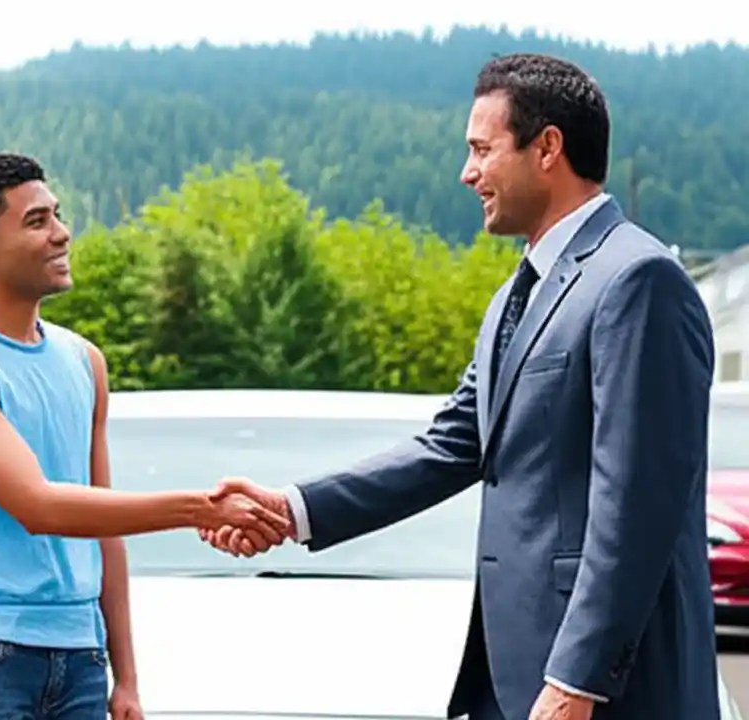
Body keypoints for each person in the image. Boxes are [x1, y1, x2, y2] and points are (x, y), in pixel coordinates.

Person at [203, 53, 718, 720]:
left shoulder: (638, 280)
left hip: (609, 689)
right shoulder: (515, 295)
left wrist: (578, 679)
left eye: (481, 149)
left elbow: (637, 503)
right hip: (515, 673)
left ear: (547, 148)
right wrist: (292, 508)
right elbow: (451, 445)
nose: (466, 172)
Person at [0, 152, 290, 719]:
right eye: (37, 221)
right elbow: (39, 506)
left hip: (82, 661)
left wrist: (125, 675)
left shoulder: (84, 361)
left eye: (57, 216)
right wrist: (200, 508)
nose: (62, 234)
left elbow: (104, 526)